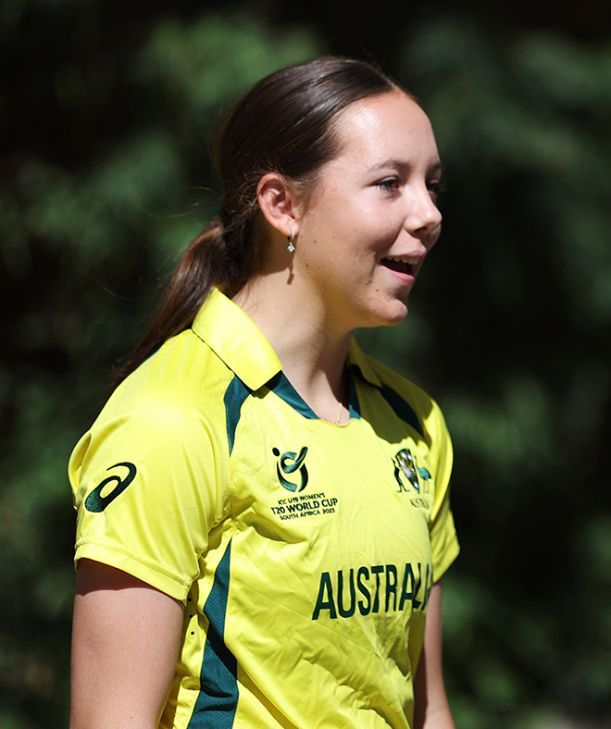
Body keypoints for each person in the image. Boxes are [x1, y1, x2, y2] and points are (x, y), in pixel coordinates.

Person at [68, 57, 458, 728]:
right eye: (390, 183)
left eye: (432, 184)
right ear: (283, 205)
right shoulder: (171, 420)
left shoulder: (415, 423)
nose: (428, 214)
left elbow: (428, 710)